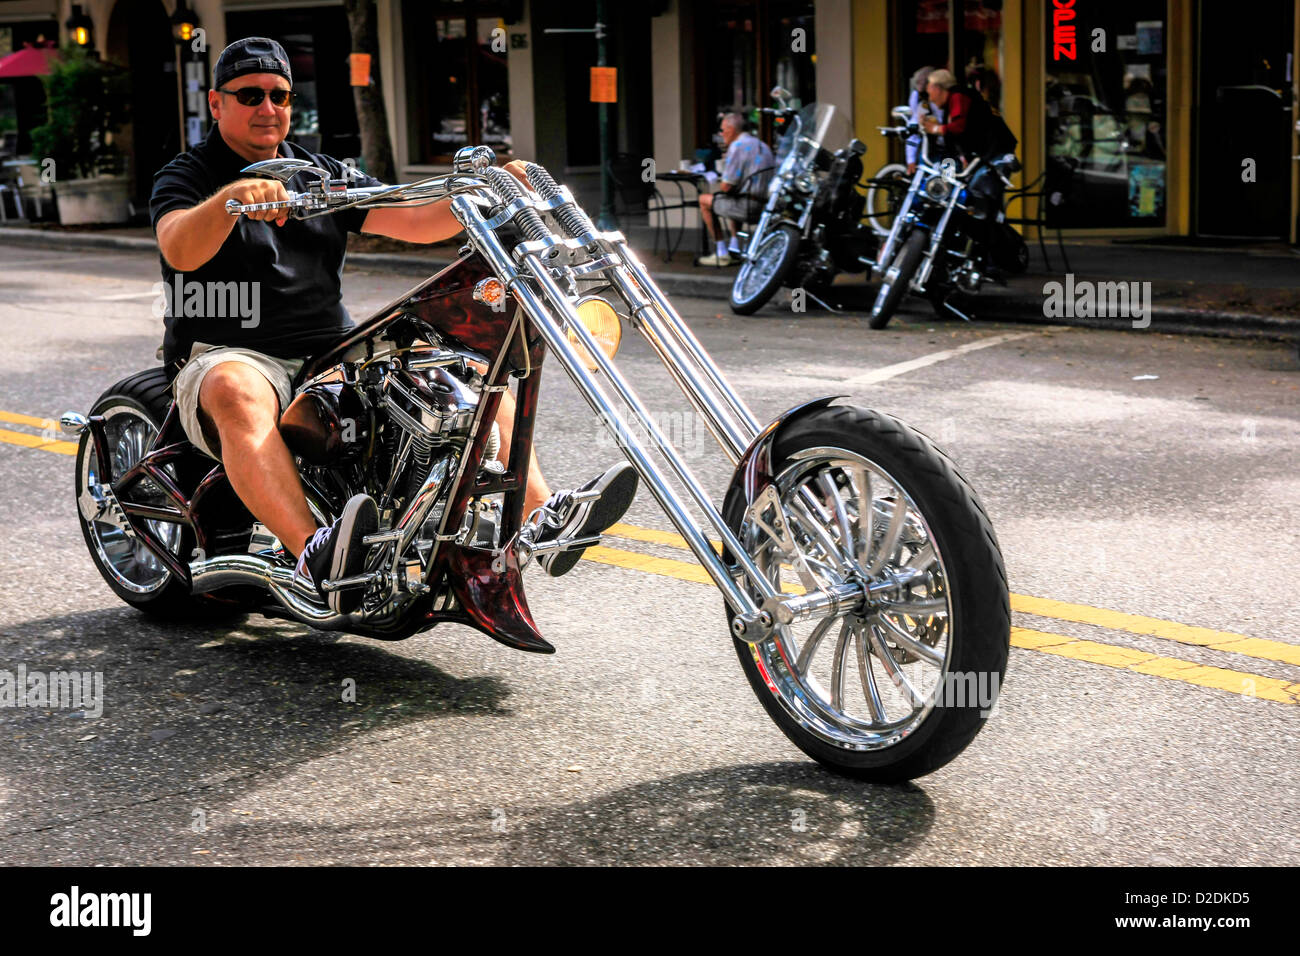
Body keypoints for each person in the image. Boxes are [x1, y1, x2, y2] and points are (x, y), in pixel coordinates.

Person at [150, 38, 638, 613]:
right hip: (231, 351)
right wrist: (232, 198)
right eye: (249, 95)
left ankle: (541, 521)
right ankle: (317, 553)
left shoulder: (319, 172)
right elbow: (179, 247)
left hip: (329, 349)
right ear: (216, 102)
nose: (268, 107)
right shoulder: (188, 174)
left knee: (469, 374)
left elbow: (410, 218)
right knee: (236, 389)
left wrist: (485, 191)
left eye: (279, 95)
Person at [920, 68, 1018, 229]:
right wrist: (946, 180)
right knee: (969, 194)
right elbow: (951, 146)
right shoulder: (948, 108)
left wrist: (937, 129)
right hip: (980, 155)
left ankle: (995, 237)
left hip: (995, 151)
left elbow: (958, 127)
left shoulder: (959, 95)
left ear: (938, 88)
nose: (929, 97)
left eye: (930, 91)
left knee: (984, 195)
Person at [696, 113, 774, 267]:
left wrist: (723, 181)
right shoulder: (763, 145)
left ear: (731, 130)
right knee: (732, 197)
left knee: (704, 200)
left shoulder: (737, 146)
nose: (721, 133)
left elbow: (726, 186)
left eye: (723, 130)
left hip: (748, 207)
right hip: (765, 206)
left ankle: (721, 252)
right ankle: (734, 247)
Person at [905, 65, 940, 176]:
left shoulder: (950, 105)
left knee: (948, 185)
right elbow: (913, 129)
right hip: (929, 151)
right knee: (922, 185)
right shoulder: (921, 103)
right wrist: (911, 160)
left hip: (949, 154)